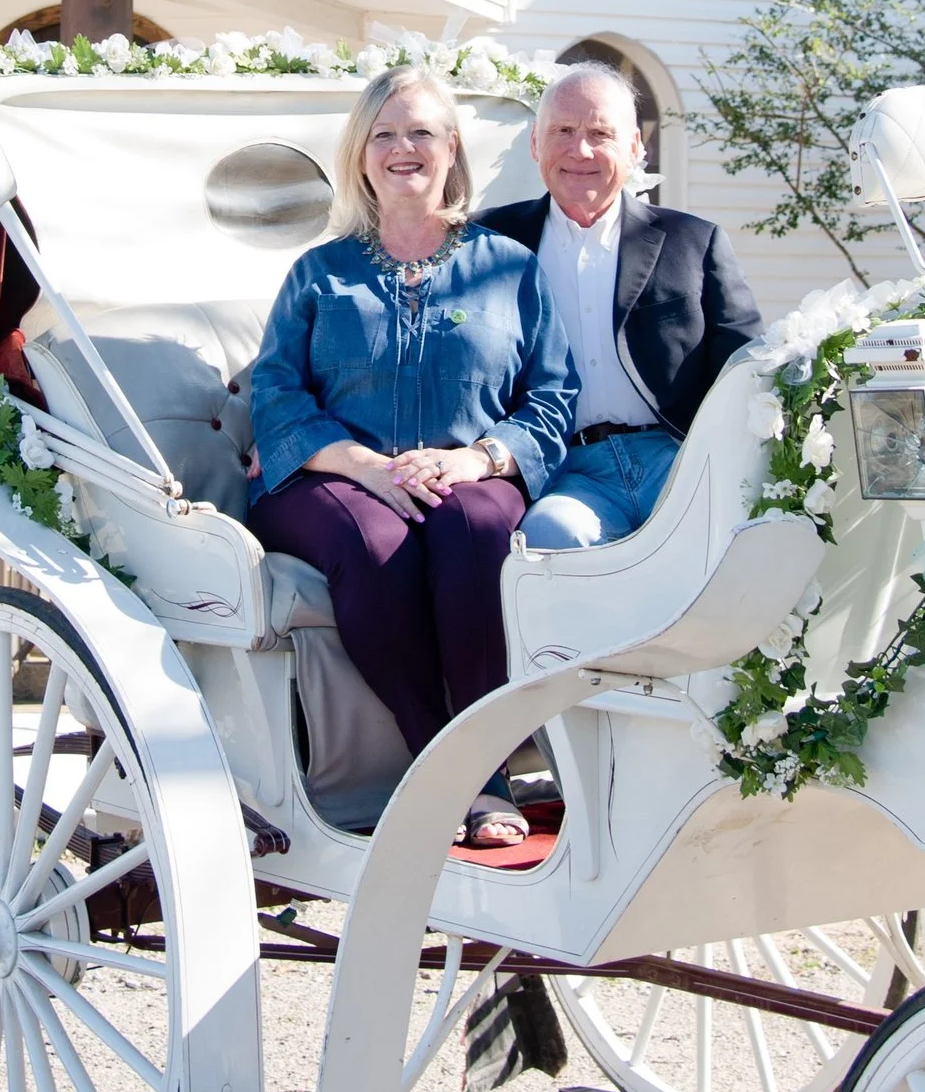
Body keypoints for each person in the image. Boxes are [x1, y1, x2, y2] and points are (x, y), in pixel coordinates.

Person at [247, 65, 578, 848]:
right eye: (384, 133)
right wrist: (357, 463)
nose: (404, 148)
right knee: (376, 539)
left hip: (466, 475)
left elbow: (554, 398)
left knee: (476, 531)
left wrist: (482, 460)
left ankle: (477, 767)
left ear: (451, 148)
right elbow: (275, 394)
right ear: (361, 155)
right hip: (330, 477)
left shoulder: (508, 266)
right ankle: (459, 773)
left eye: (422, 131)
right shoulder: (319, 274)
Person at [480, 63, 764, 551]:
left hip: (678, 458)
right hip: (564, 469)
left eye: (599, 133)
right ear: (534, 144)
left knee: (735, 536)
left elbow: (747, 364)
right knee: (550, 537)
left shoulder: (693, 242)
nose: (580, 150)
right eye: (563, 131)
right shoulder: (490, 244)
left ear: (635, 147)